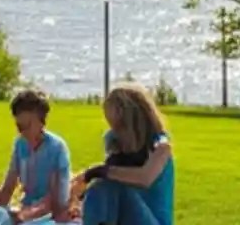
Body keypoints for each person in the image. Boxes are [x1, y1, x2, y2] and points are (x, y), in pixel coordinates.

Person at [75, 84, 175, 225]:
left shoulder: (160, 146)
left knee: (107, 186)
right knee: (99, 188)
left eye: (119, 126)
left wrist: (97, 171)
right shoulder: (117, 143)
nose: (115, 132)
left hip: (152, 221)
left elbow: (145, 178)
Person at [0, 90, 72, 224]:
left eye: (26, 126)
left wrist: (23, 216)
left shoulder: (57, 148)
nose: (21, 131)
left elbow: (53, 202)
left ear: (41, 122)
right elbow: (8, 187)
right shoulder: (20, 145)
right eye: (19, 126)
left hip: (52, 217)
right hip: (26, 212)